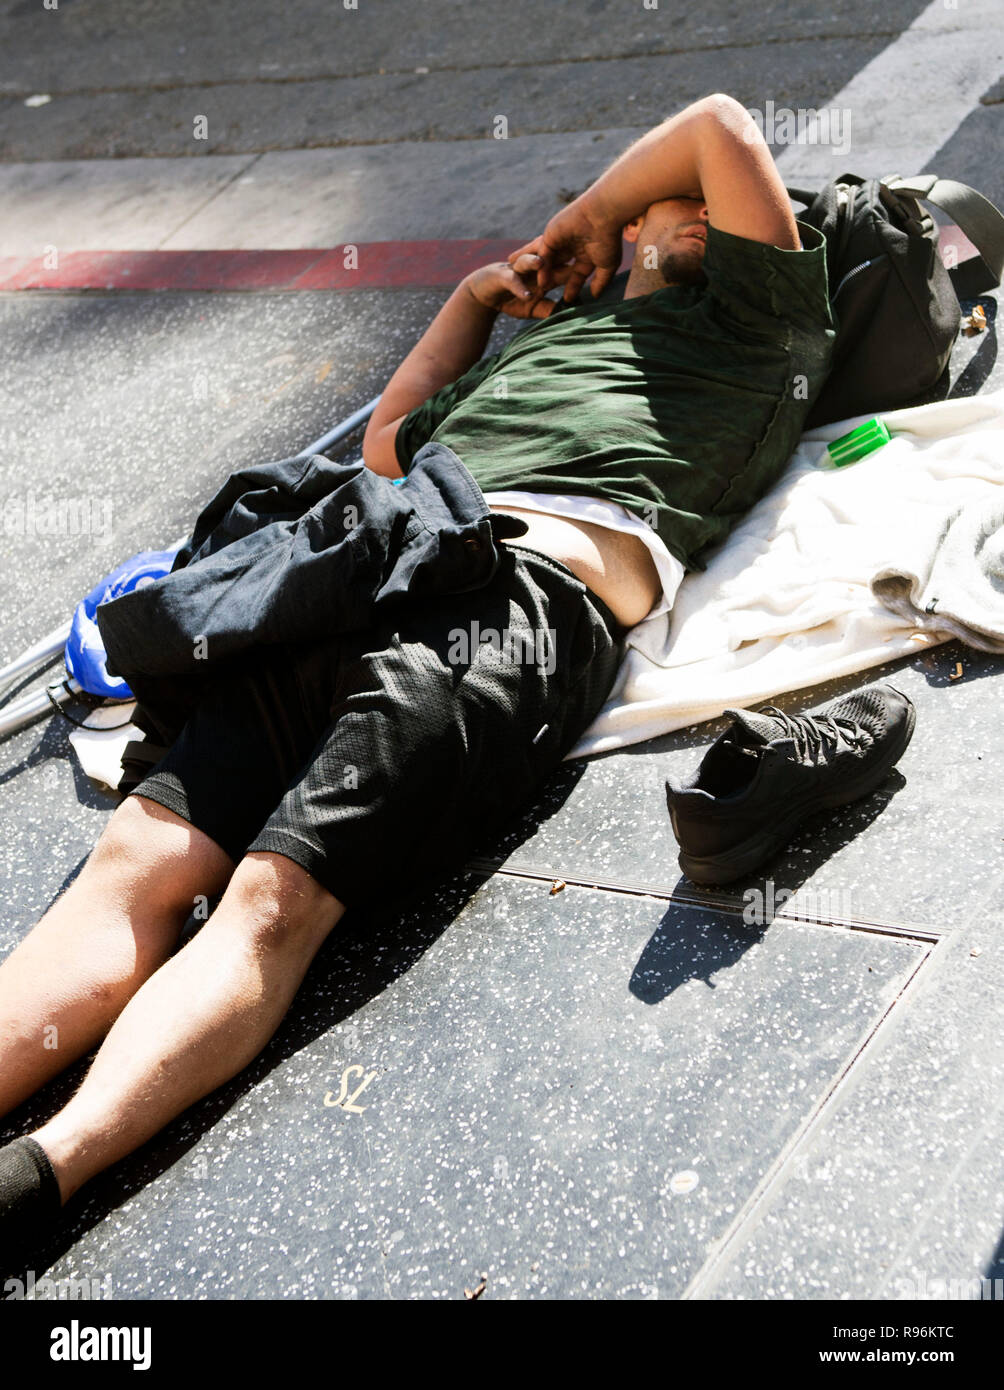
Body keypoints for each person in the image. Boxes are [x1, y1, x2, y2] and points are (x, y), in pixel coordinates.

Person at [0, 93, 834, 1255]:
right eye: (669, 207)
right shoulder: (549, 348)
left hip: (509, 602)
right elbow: (388, 443)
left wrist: (591, 214)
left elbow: (721, 127)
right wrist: (470, 302)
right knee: (138, 861)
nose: (701, 209)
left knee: (271, 899)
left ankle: (42, 1174)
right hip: (362, 563)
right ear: (627, 252)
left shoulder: (760, 333)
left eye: (713, 213)